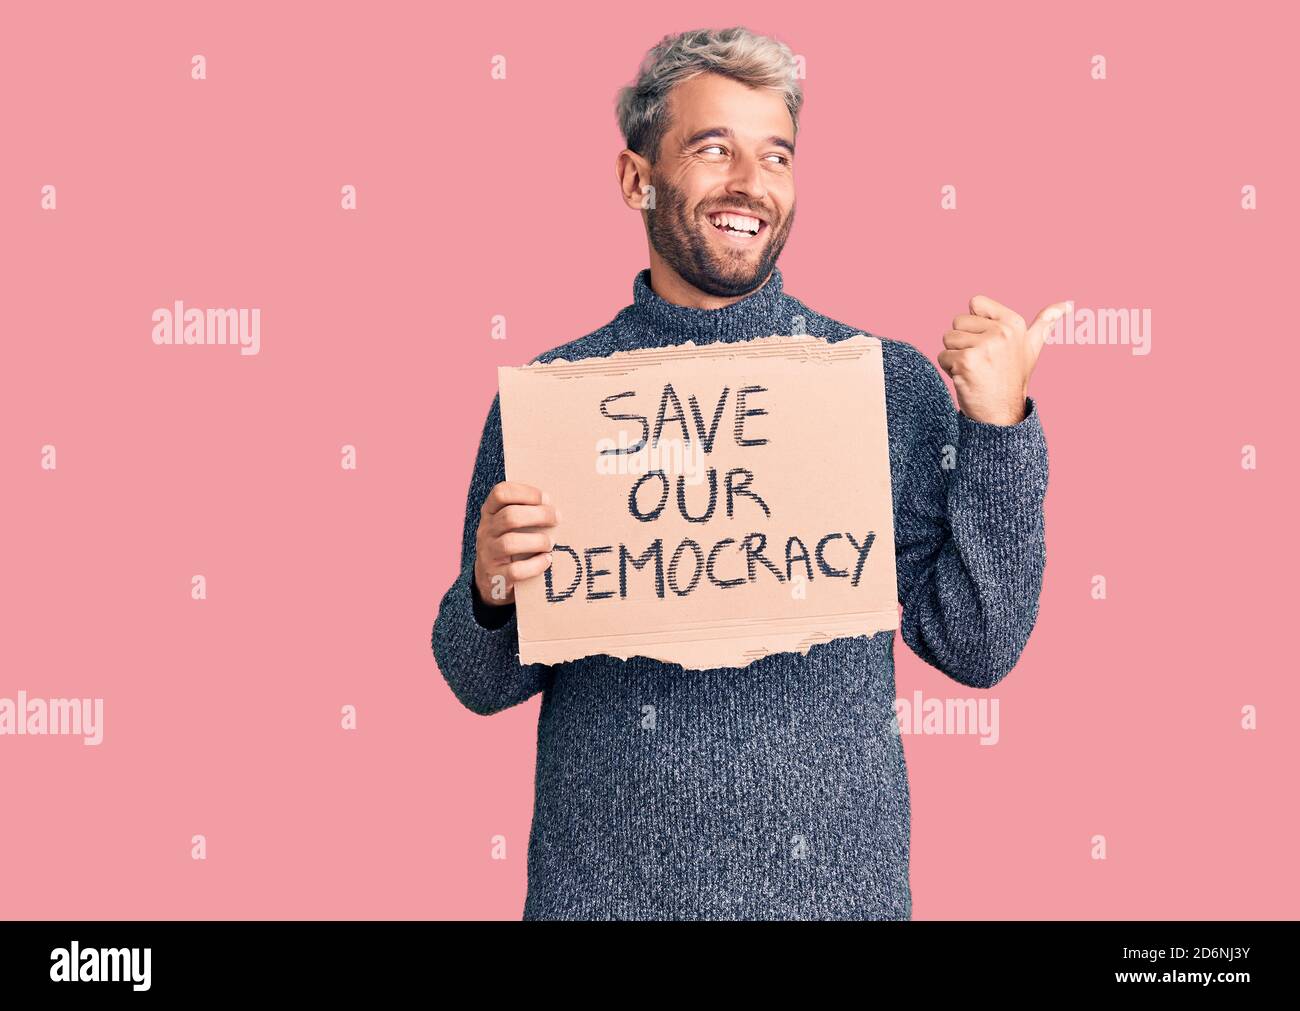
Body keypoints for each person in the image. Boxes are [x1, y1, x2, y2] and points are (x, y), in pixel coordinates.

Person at [432, 25, 1063, 920]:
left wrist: (997, 431)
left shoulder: (879, 386)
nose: (750, 184)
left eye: (776, 155)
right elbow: (476, 680)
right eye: (712, 147)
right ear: (634, 178)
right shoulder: (554, 406)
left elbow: (979, 644)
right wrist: (492, 589)